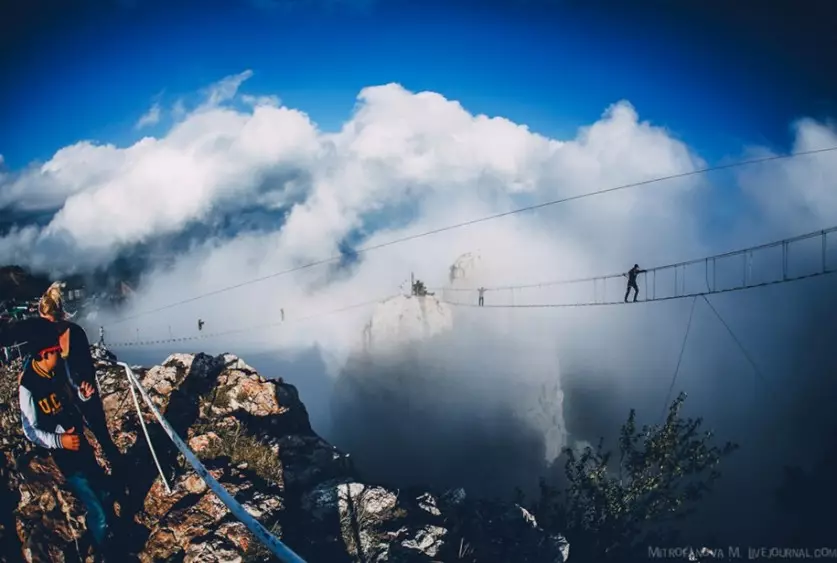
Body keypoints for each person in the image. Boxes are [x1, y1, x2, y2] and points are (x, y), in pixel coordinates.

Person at [18, 324, 114, 552]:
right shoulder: (28, 387)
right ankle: (104, 551)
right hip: (64, 457)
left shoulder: (60, 368)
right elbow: (30, 430)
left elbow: (72, 391)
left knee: (104, 492)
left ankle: (103, 535)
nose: (60, 355)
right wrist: (60, 442)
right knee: (96, 508)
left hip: (81, 444)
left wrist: (83, 393)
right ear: (44, 354)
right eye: (55, 351)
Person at [37, 284, 124, 472]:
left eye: (51, 321)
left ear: (60, 316)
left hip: (84, 392)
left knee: (101, 433)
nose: (48, 327)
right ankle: (95, 477)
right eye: (44, 322)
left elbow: (86, 366)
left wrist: (85, 388)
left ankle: (119, 470)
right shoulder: (43, 338)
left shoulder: (75, 333)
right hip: (62, 399)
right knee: (76, 442)